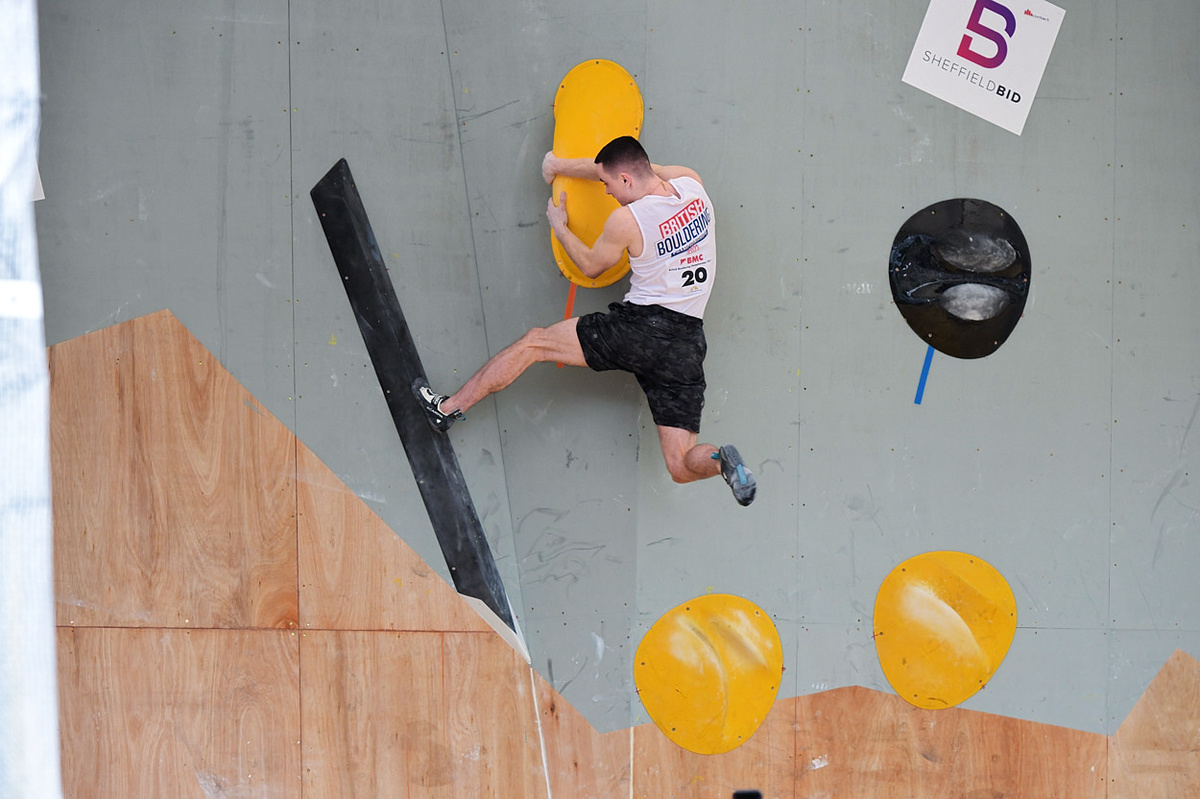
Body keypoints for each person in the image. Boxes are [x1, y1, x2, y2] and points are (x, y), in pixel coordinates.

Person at [412, 135, 755, 506]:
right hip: (687, 343)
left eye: (608, 185)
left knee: (534, 343)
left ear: (625, 179)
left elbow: (592, 266)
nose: (606, 192)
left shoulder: (628, 219)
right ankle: (723, 462)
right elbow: (626, 170)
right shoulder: (692, 184)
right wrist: (557, 166)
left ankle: (445, 410)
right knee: (679, 464)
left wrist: (560, 226)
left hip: (640, 328)